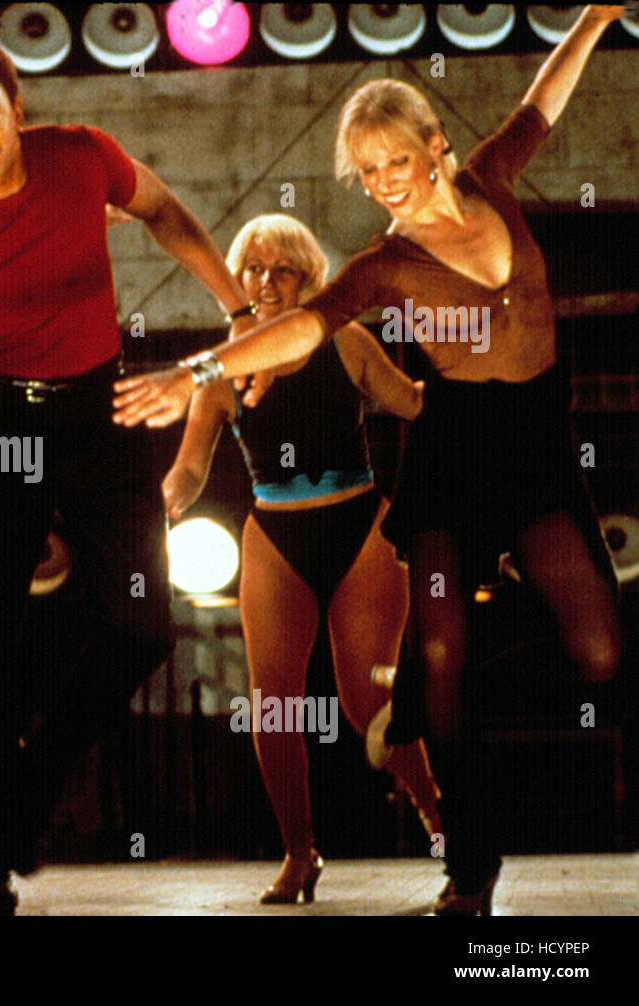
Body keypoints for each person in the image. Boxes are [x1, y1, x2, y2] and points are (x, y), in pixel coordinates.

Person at [114, 6, 625, 915]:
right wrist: (200, 366)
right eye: (371, 171)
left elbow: (542, 100)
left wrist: (595, 16)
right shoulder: (381, 266)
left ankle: (424, 699)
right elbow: (308, 326)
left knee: (596, 651)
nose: (388, 182)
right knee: (430, 655)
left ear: (435, 146)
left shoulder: (493, 176)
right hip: (449, 460)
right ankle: (468, 871)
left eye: (401, 160)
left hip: (540, 450)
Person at [0, 39, 254, 915]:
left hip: (99, 412)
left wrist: (236, 304)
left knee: (146, 625)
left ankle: (34, 781)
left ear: (17, 110)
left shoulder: (82, 156)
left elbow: (165, 212)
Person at [163, 213, 441, 903]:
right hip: (275, 535)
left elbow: (411, 403)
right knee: (274, 707)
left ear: (308, 277)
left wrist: (480, 383)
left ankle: (446, 826)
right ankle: (298, 853)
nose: (265, 282)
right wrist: (169, 498)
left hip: (359, 525)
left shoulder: (343, 340)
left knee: (365, 699)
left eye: (282, 269)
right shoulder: (220, 367)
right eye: (252, 269)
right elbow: (191, 466)